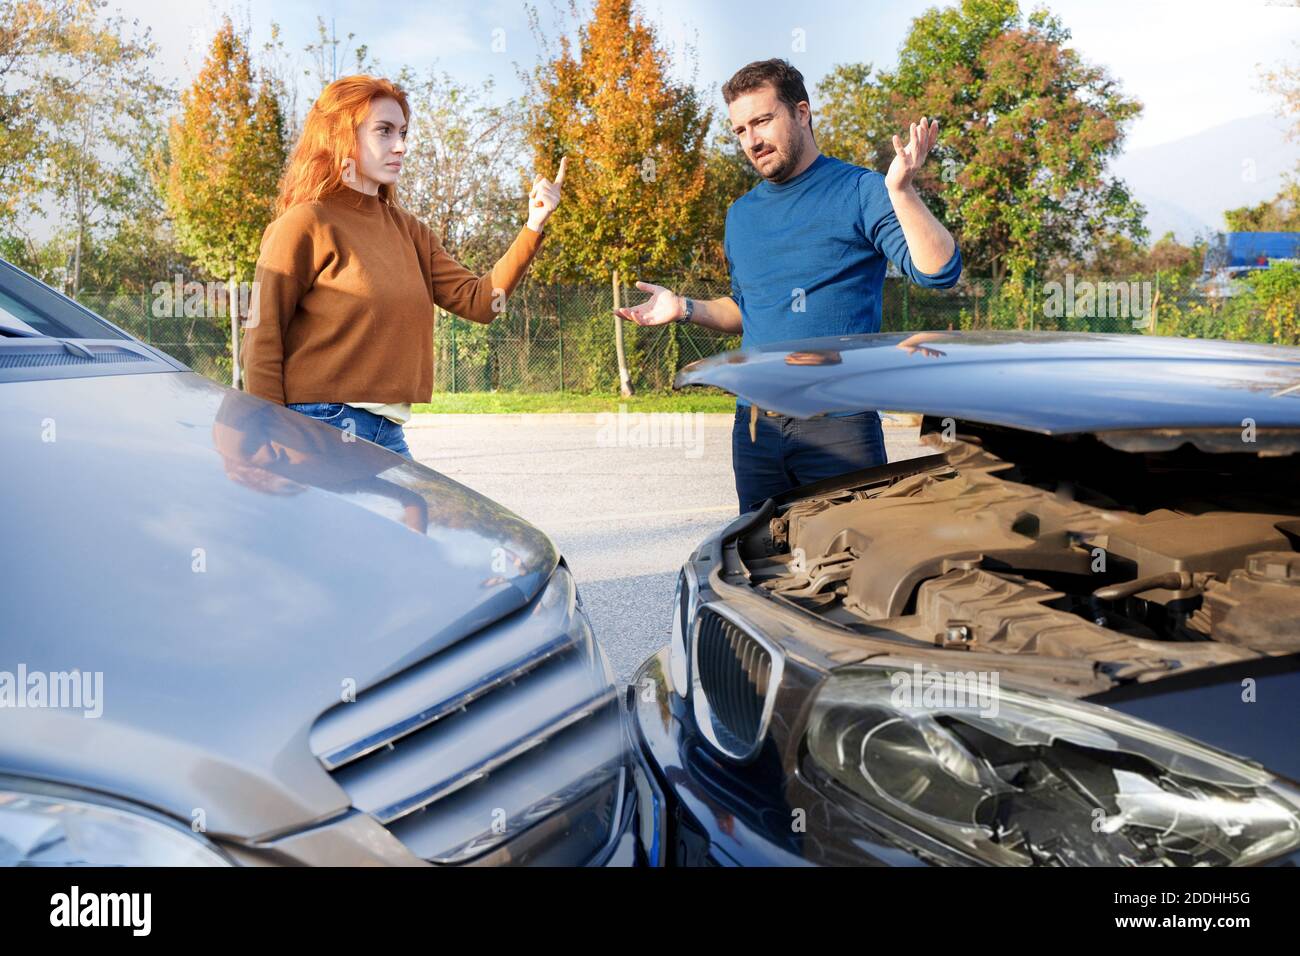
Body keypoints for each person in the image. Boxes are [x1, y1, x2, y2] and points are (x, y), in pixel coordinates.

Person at [616, 58, 961, 513]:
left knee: (849, 568)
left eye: (762, 121)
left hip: (839, 426)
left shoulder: (861, 190)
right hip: (756, 427)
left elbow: (939, 271)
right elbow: (748, 310)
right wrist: (683, 307)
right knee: (760, 571)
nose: (752, 141)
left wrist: (902, 192)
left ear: (802, 113)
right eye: (740, 130)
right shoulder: (741, 215)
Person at [241, 74, 565, 458]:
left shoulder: (409, 231)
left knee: (415, 517)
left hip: (388, 433)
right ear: (341, 135)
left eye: (404, 132)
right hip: (318, 426)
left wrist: (534, 225)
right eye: (384, 131)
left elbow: (480, 302)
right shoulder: (306, 222)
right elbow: (263, 333)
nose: (401, 145)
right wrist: (273, 433)